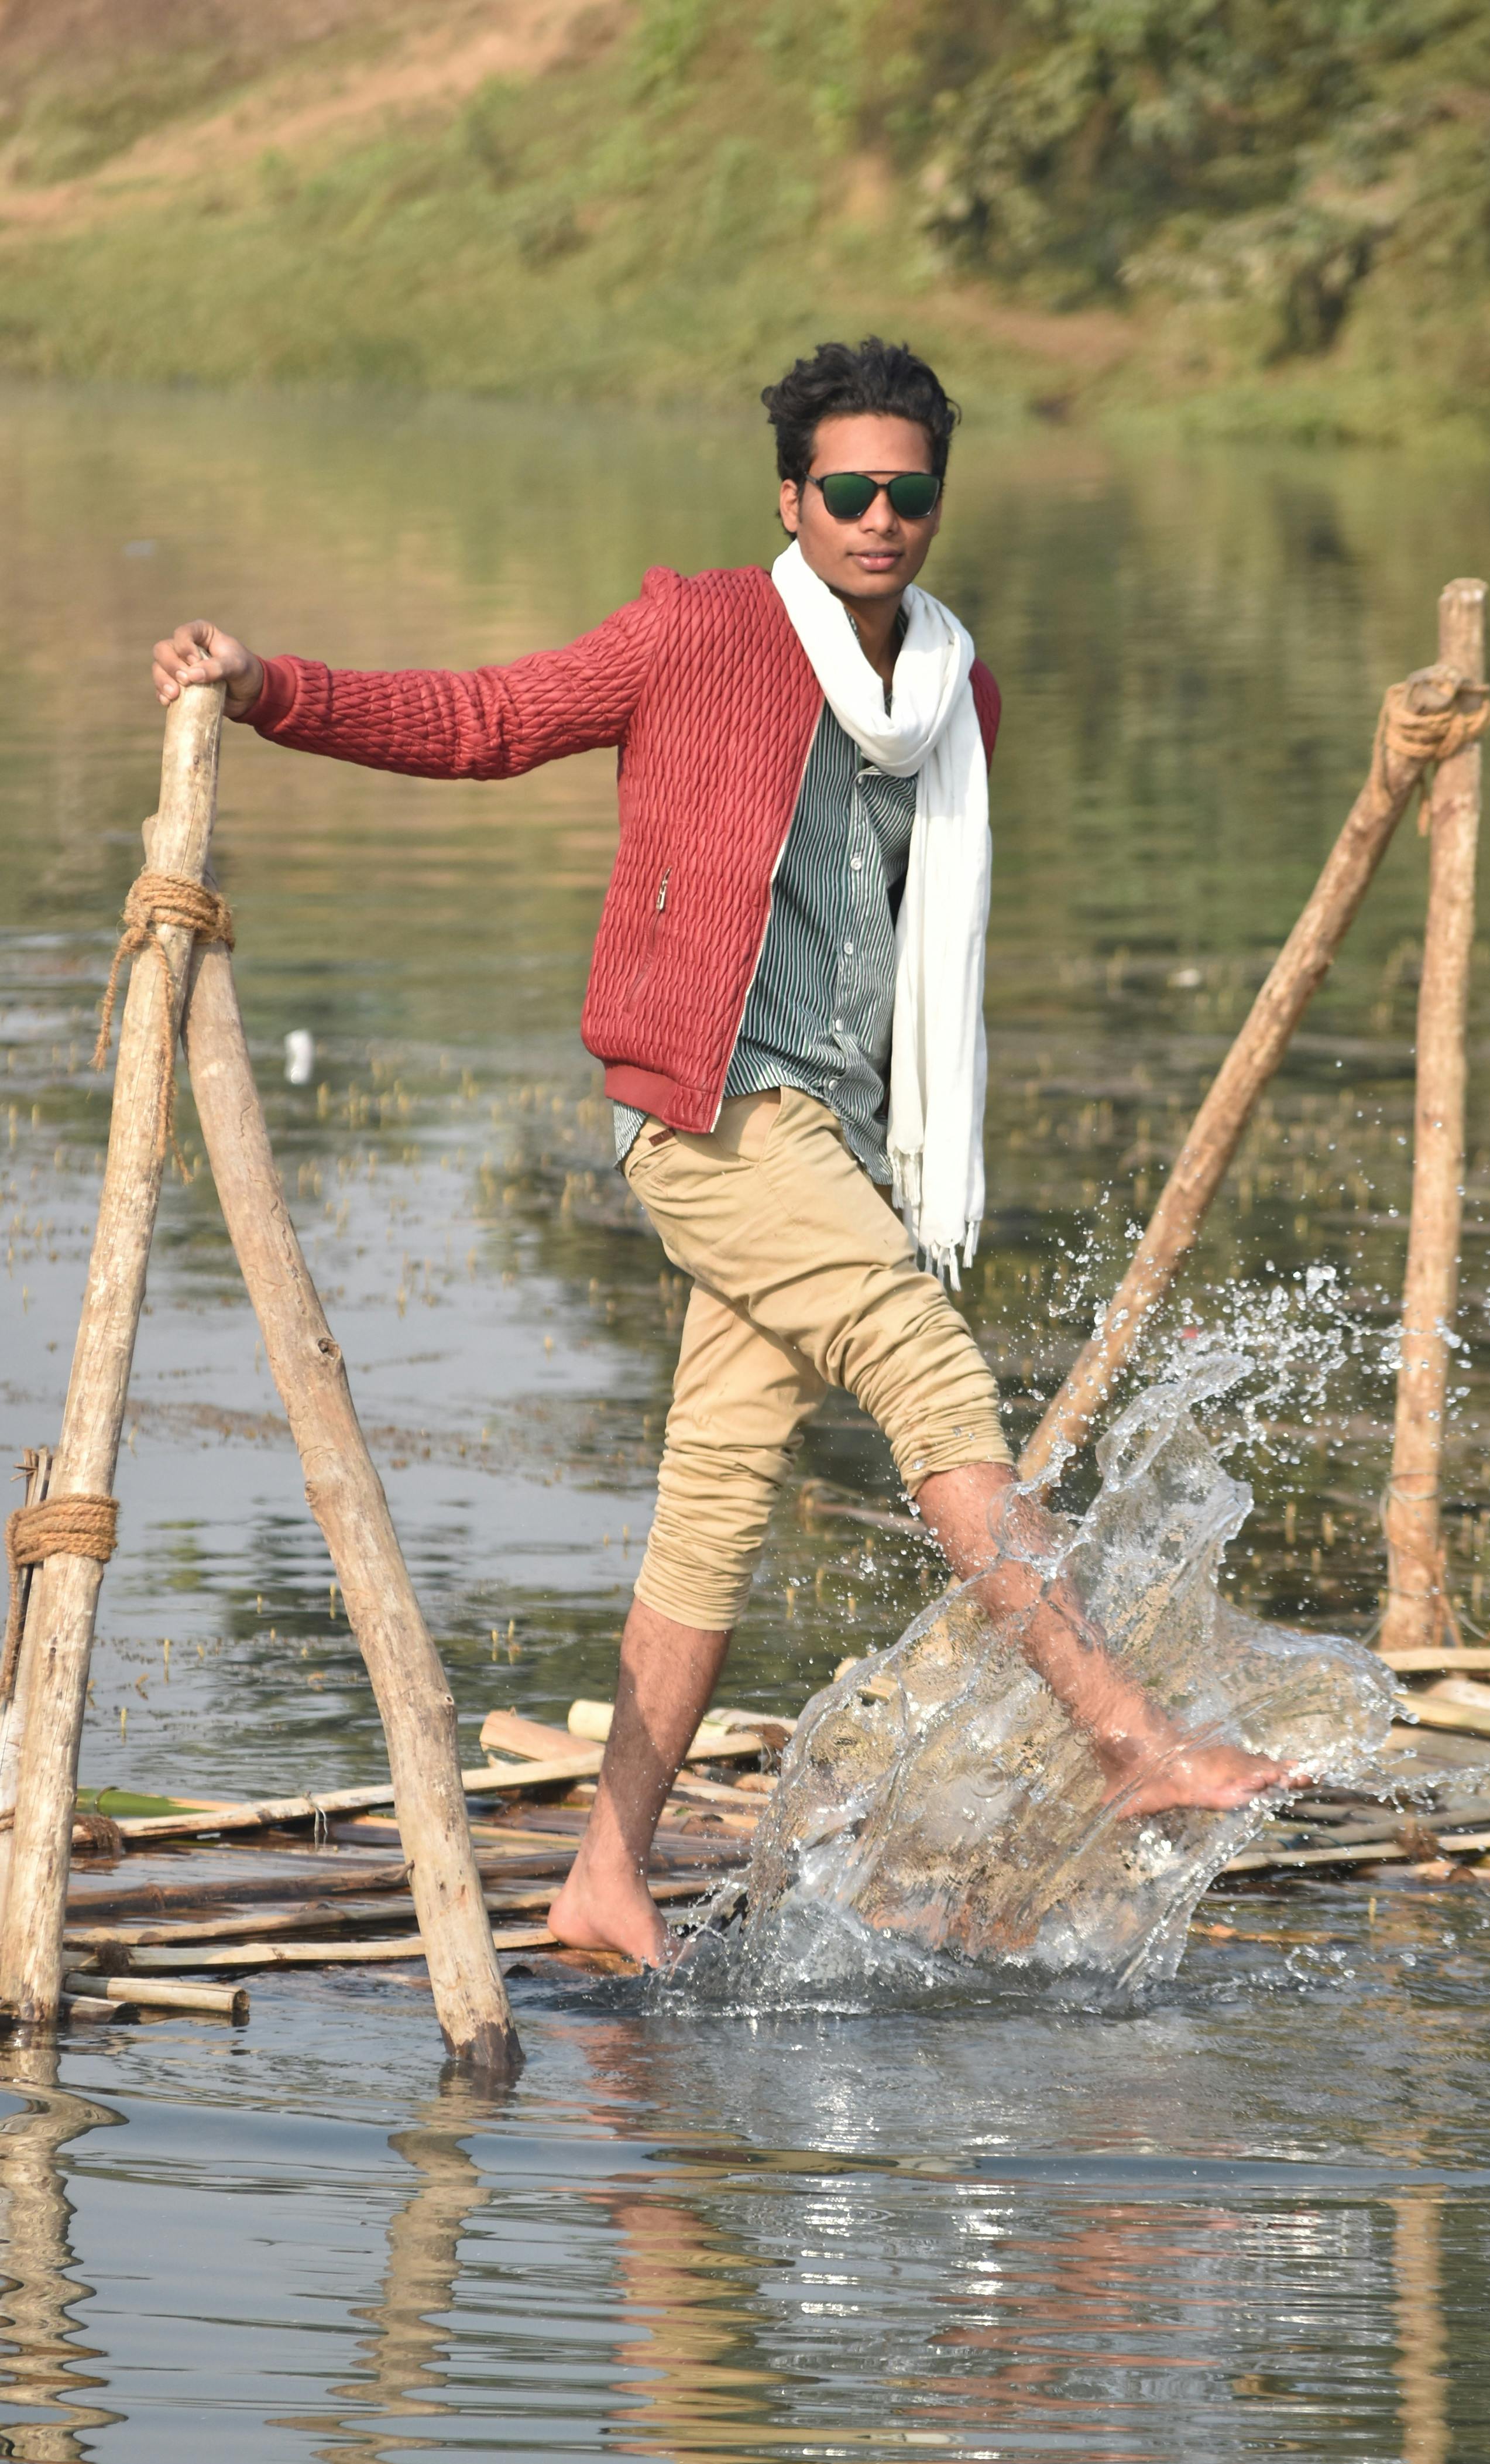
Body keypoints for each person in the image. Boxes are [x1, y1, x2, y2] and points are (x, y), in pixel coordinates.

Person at [152, 336, 1297, 1968]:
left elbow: (904, 939)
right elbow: (486, 719)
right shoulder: (697, 631)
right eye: (849, 490)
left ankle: (605, 1873)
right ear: (792, 497)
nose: (880, 518)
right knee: (925, 1368)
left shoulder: (956, 694)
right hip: (709, 1114)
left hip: (829, 1131)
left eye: (909, 491)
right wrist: (273, 690)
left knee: (709, 1501)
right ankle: (1131, 1739)